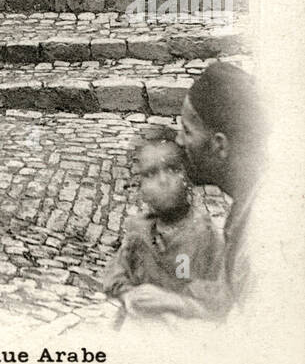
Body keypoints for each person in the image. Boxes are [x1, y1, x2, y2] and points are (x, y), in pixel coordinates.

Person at [103, 126, 227, 322]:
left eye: (172, 169)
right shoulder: (139, 230)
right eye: (150, 174)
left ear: (188, 176)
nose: (163, 180)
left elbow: (222, 303)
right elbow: (115, 276)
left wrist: (173, 301)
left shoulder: (203, 235)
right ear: (139, 186)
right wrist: (128, 296)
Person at [177, 62, 267, 311]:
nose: (178, 140)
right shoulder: (250, 201)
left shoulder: (261, 242)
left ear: (220, 145)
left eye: (187, 130)